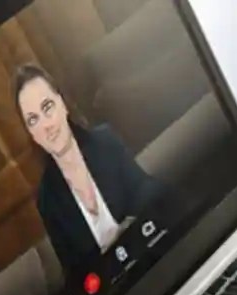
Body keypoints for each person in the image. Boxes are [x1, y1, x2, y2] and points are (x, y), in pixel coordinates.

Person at [12, 64, 161, 280]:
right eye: (33, 120)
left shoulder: (105, 141)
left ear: (63, 104)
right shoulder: (47, 200)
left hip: (152, 256)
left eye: (47, 107)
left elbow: (147, 191)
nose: (46, 125)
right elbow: (75, 275)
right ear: (31, 133)